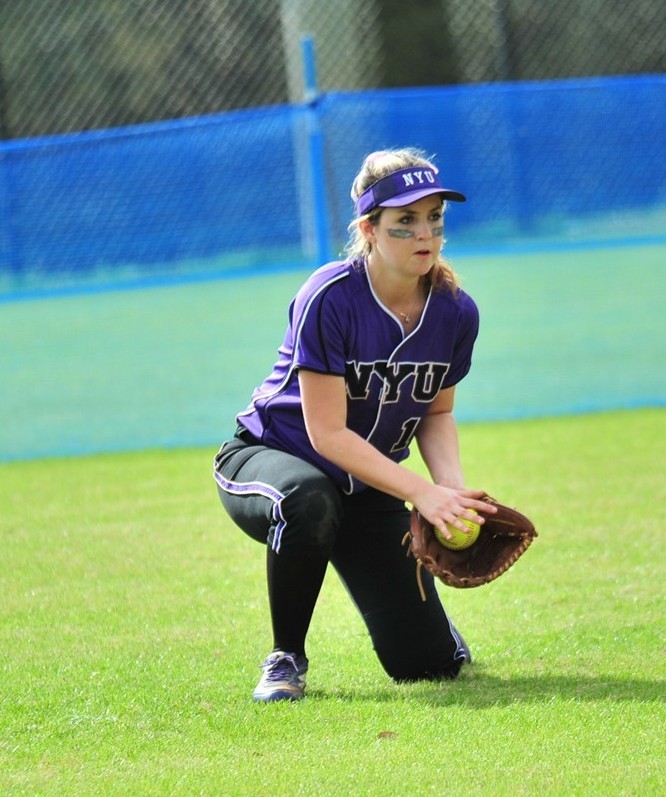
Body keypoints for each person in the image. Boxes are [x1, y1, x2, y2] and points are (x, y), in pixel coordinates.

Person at [212, 148, 496, 702]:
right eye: (405, 221)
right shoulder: (330, 296)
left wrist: (450, 492)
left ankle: (437, 636)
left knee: (428, 666)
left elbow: (437, 413)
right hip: (272, 460)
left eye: (434, 218)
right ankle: (286, 659)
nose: (425, 234)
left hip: (366, 485)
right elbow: (327, 435)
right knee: (309, 500)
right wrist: (421, 492)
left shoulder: (455, 311)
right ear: (368, 229)